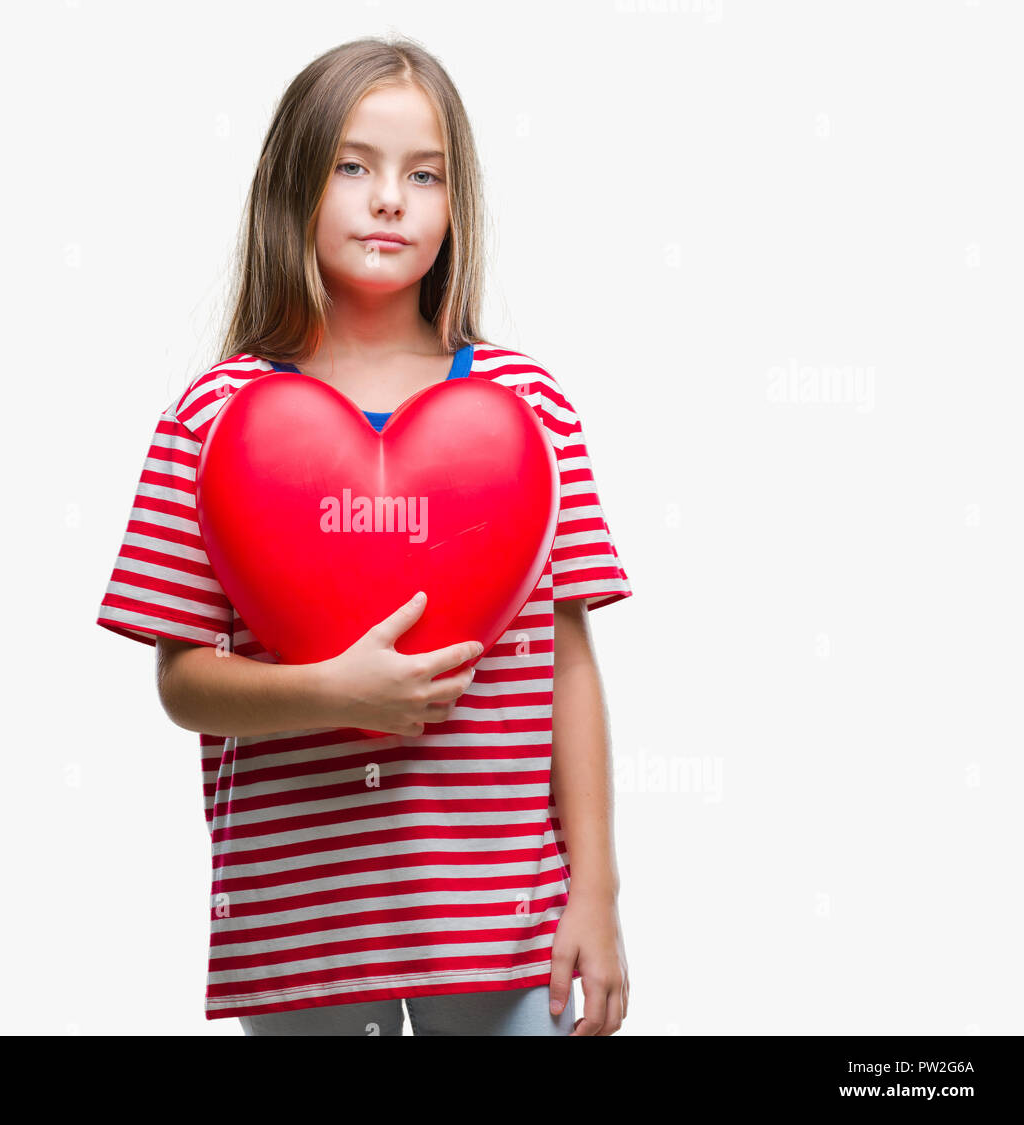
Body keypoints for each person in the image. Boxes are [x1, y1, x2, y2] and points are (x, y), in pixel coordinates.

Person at [96, 36, 633, 1036]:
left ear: (453, 203)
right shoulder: (211, 418)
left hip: (508, 927)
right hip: (304, 935)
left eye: (422, 174)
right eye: (353, 165)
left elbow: (568, 666)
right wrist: (328, 692)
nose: (390, 198)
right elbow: (180, 681)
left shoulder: (531, 409)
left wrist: (595, 893)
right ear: (292, 184)